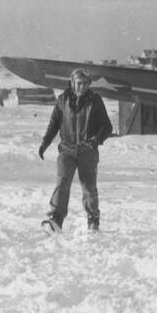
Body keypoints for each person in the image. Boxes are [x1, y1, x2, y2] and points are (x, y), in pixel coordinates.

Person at [39, 67, 113, 233]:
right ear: (72, 83)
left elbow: (107, 126)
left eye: (86, 83)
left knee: (88, 187)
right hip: (67, 150)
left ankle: (93, 220)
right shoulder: (62, 100)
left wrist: (96, 140)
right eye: (79, 83)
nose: (83, 87)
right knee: (62, 182)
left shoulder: (95, 100)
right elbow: (54, 124)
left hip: (88, 151)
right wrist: (45, 143)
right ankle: (56, 218)